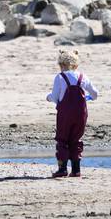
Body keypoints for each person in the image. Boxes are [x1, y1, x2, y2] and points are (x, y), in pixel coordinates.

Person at [46, 49, 99, 177]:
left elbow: (54, 97)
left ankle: (62, 169)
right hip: (81, 113)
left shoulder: (60, 77)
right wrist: (89, 98)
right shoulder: (82, 76)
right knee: (76, 139)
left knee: (62, 139)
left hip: (65, 113)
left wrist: (48, 97)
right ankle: (76, 170)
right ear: (76, 64)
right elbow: (95, 94)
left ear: (62, 64)